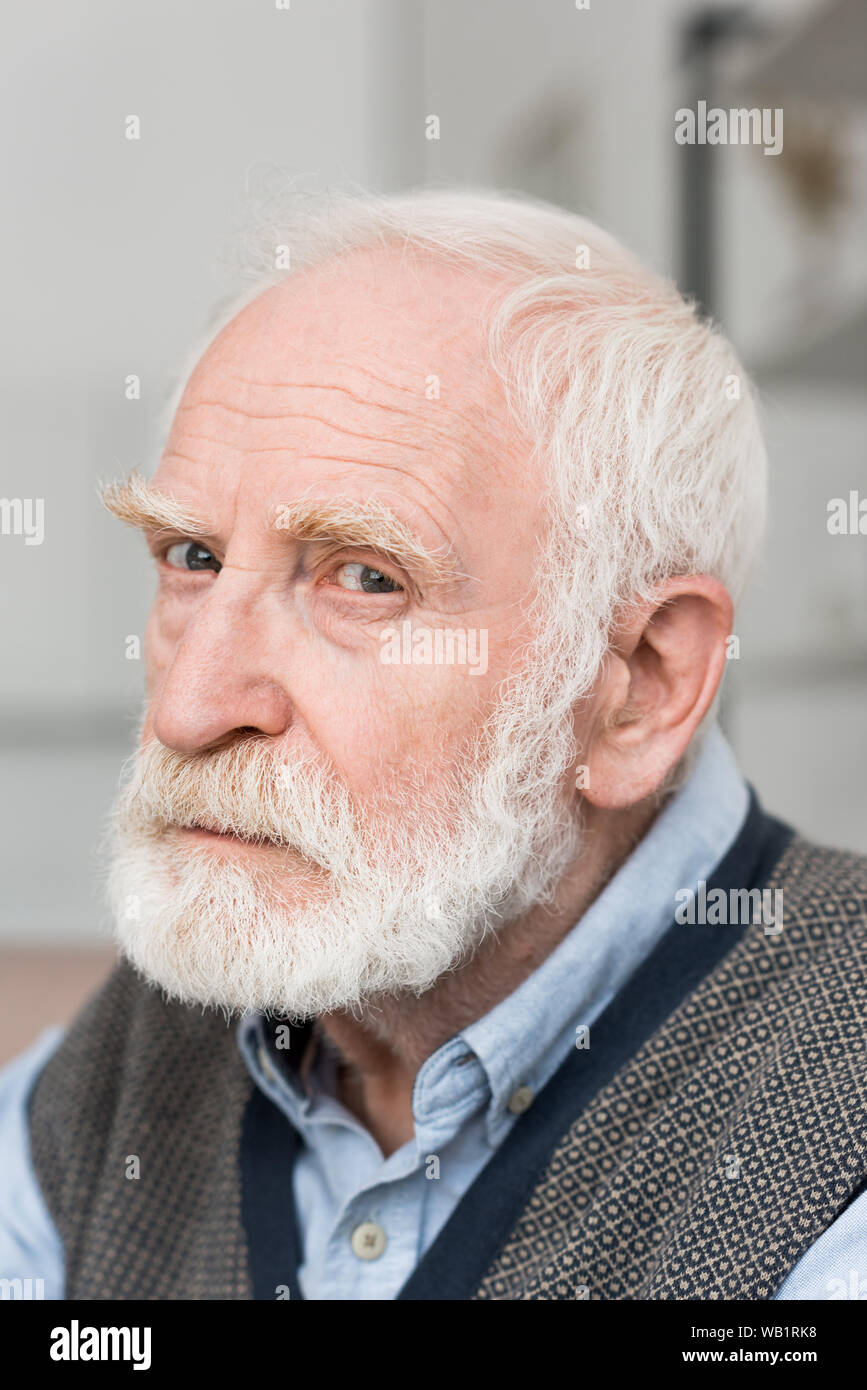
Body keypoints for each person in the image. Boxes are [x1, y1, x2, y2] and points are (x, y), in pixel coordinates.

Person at [2, 189, 865, 1301]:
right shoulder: (129, 1064)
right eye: (191, 555)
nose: (190, 707)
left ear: (640, 686)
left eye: (365, 577)